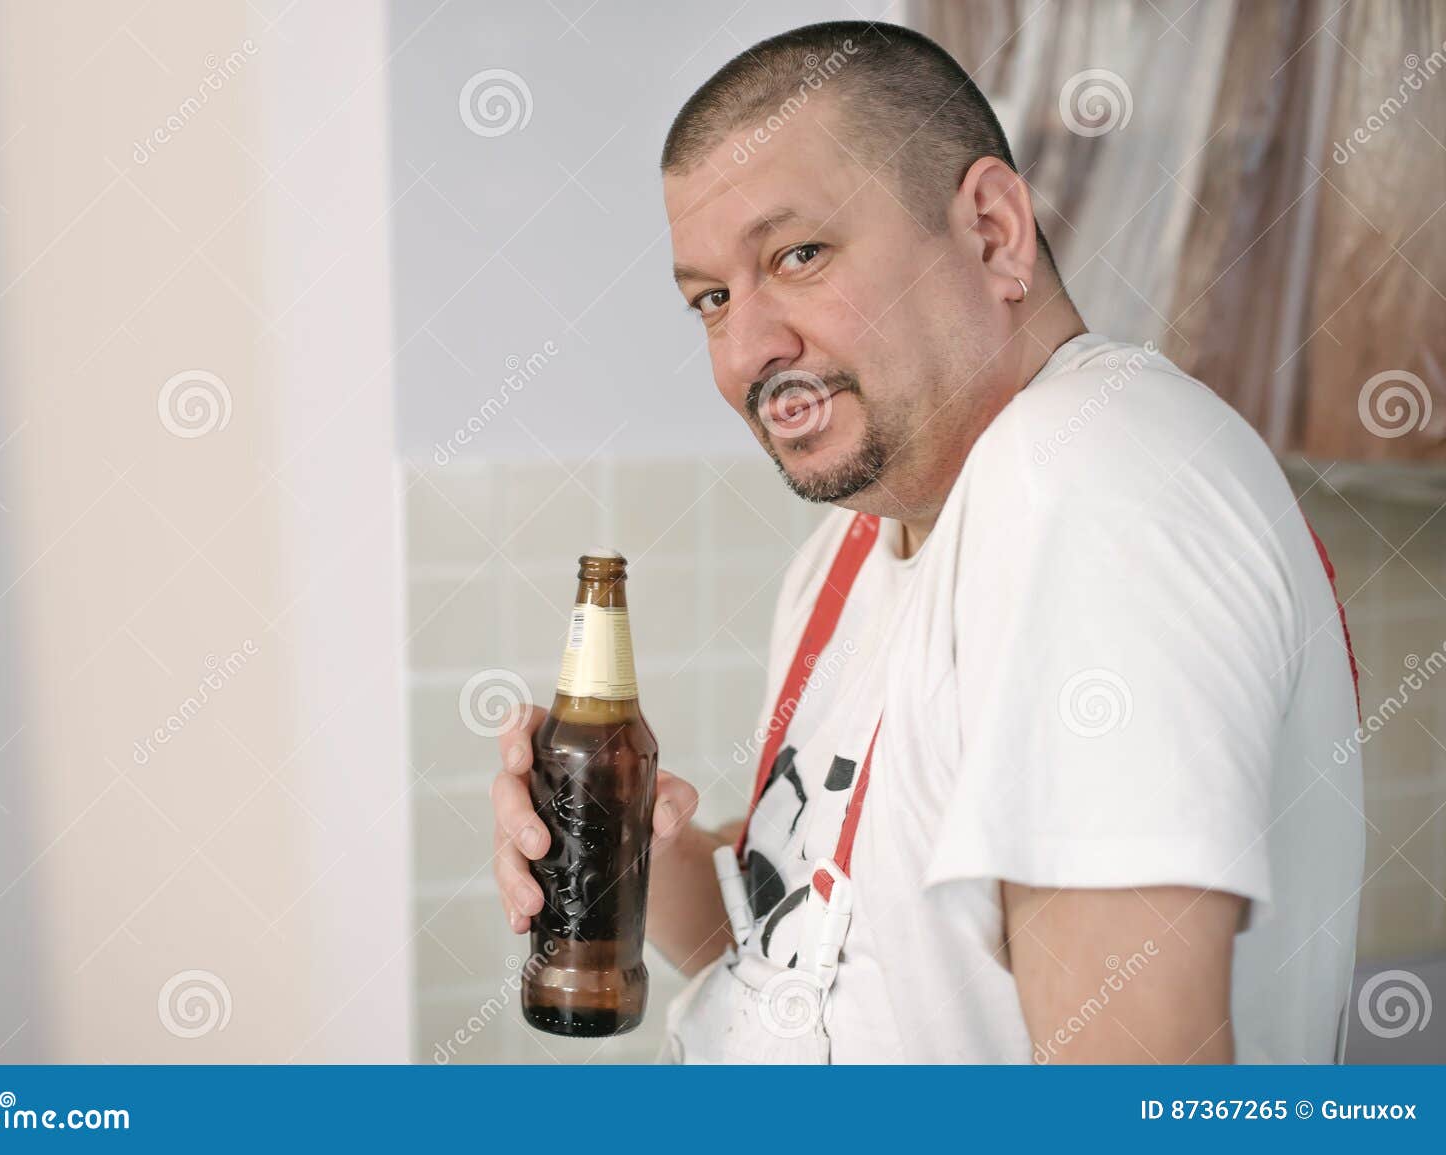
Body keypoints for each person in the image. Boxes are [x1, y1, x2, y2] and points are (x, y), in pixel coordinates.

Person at [490, 20, 1364, 1063]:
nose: (746, 353)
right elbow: (824, 947)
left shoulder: (1089, 481)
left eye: (798, 255)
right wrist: (625, 852)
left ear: (993, 230)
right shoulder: (861, 543)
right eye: (713, 299)